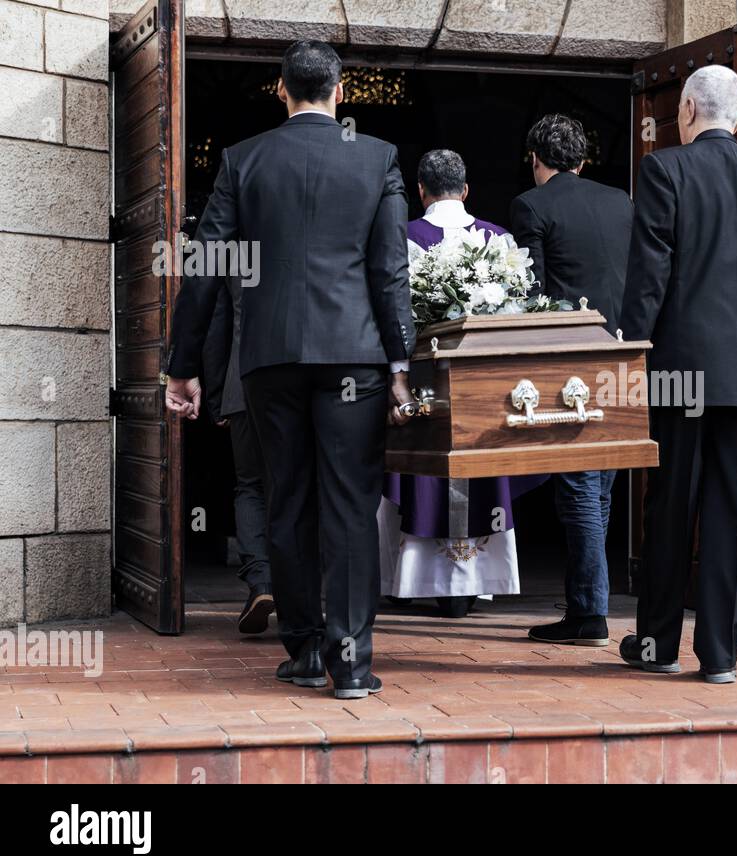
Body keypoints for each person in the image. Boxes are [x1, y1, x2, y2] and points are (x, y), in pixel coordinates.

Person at [164, 40, 416, 700]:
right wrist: (400, 361)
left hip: (269, 358)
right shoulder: (379, 158)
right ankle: (352, 665)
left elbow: (206, 269)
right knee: (351, 507)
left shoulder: (243, 160)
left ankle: (304, 651)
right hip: (353, 357)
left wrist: (181, 368)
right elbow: (390, 274)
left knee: (287, 500)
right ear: (341, 91)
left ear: (282, 90)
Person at [618, 65, 737, 683]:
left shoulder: (665, 169)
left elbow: (649, 275)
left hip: (680, 374)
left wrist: (627, 357)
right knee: (735, 510)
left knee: (671, 504)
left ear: (689, 112)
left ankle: (659, 646)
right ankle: (722, 657)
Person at [379, 149, 545, 618]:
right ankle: (472, 583)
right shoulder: (498, 240)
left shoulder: (402, 237)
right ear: (467, 190)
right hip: (481, 388)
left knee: (420, 470)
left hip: (422, 383)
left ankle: (409, 582)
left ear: (420, 190)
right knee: (478, 467)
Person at [510, 114, 633, 646]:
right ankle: (589, 601)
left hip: (570, 362)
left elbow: (532, 295)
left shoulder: (531, 205)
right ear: (582, 160)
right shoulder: (621, 202)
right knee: (599, 487)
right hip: (624, 355)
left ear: (536, 158)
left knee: (580, 489)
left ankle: (588, 614)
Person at [201, 276, 274, 635]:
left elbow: (217, 326)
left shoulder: (237, 250)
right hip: (303, 387)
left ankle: (261, 582)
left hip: (242, 386)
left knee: (250, 486)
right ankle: (299, 592)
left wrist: (217, 397)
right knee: (298, 486)